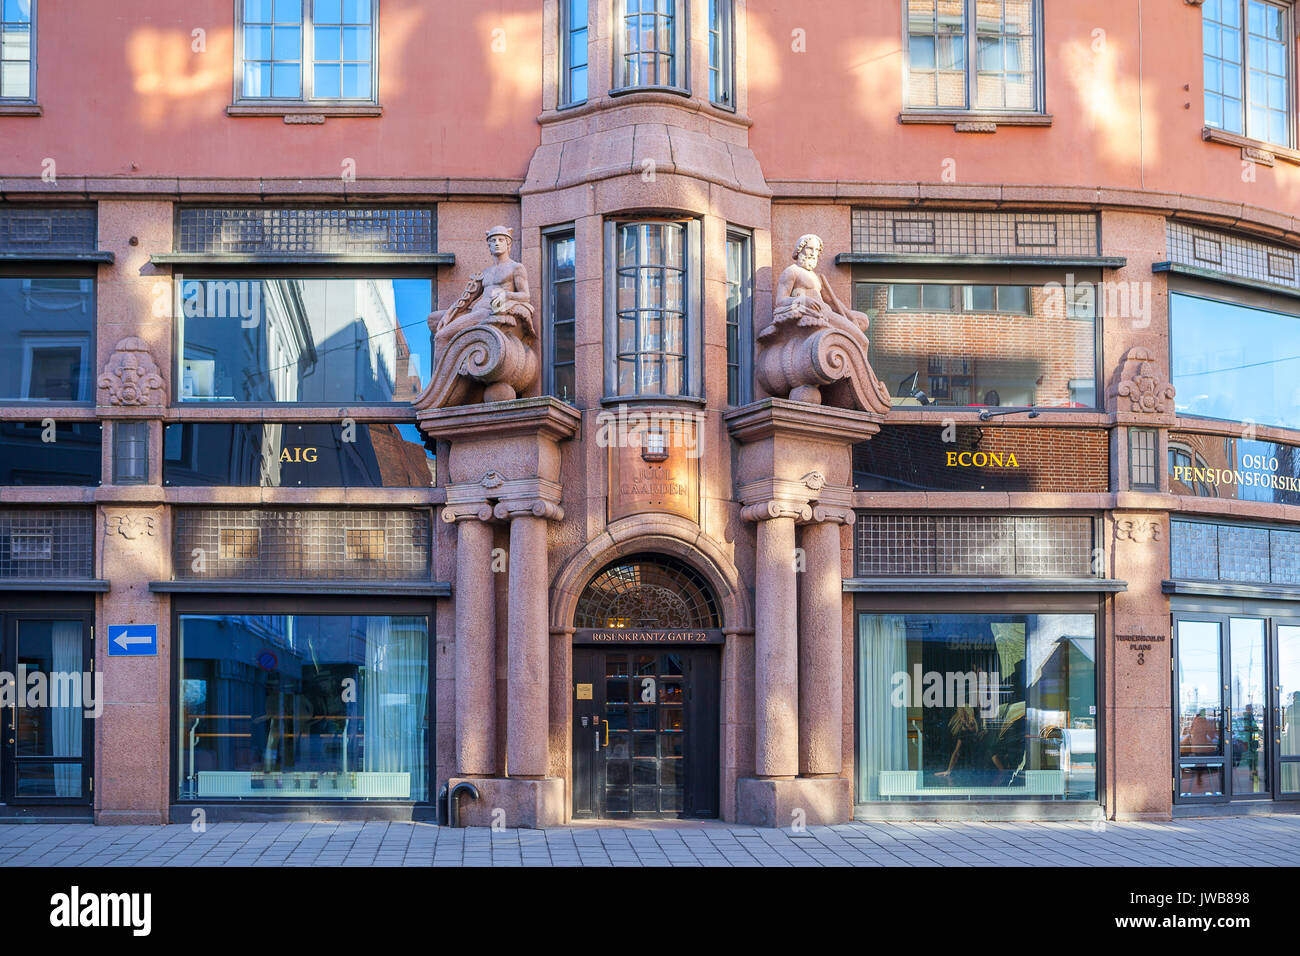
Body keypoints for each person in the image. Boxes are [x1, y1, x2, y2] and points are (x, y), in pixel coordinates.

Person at [430, 226, 535, 352]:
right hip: (475, 312)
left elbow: (525, 296)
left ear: (508, 244)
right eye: (493, 240)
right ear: (489, 246)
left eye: (501, 240)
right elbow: (465, 300)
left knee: (441, 336)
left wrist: (506, 295)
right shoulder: (485, 272)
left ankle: (441, 372)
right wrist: (448, 314)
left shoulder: (516, 267)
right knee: (434, 318)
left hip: (489, 312)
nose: (496, 243)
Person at [762, 234, 873, 342]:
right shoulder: (792, 271)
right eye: (810, 248)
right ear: (800, 249)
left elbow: (832, 301)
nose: (813, 253)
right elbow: (780, 301)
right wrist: (804, 300)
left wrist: (849, 315)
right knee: (861, 339)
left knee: (862, 324)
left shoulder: (817, 277)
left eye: (816, 250)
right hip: (817, 313)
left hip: (827, 312)